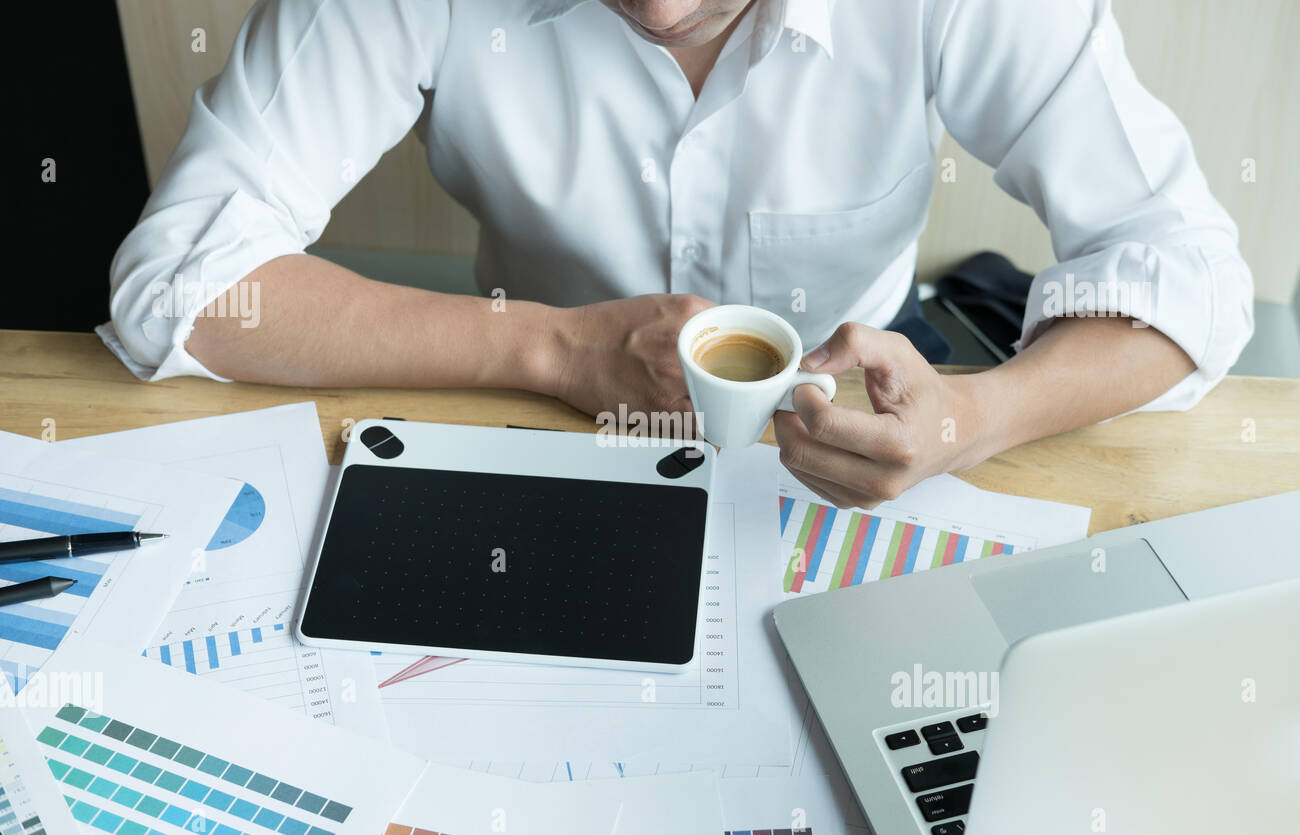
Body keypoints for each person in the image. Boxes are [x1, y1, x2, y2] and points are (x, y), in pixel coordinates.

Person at [108, 0, 1252, 509]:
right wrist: (561, 350)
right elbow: (182, 278)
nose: (659, 7)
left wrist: (975, 416)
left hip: (874, 434)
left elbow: (1186, 263)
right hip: (526, 406)